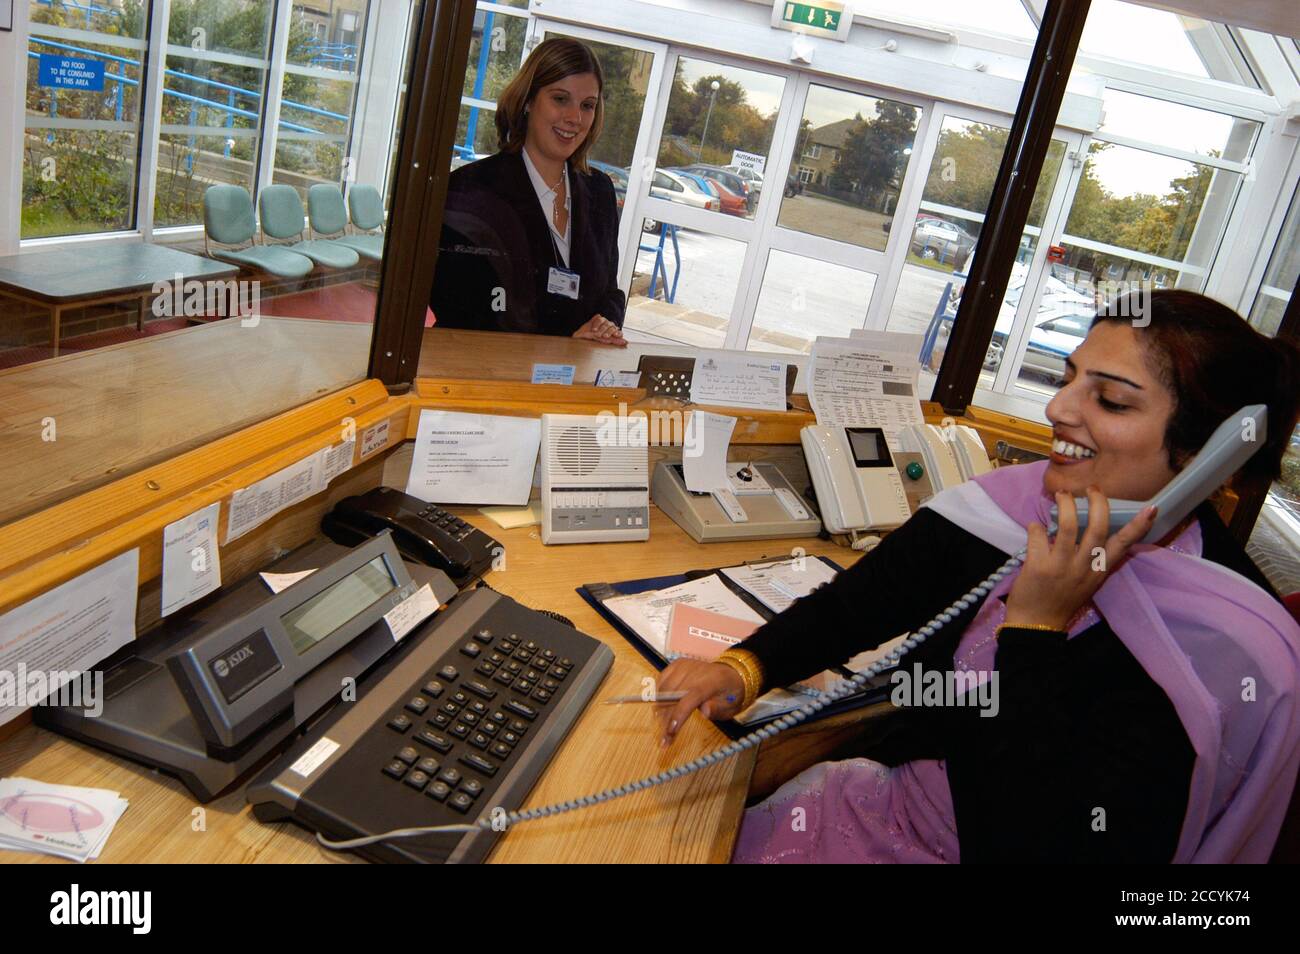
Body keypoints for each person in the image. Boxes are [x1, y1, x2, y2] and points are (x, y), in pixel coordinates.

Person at [657, 290, 1300, 863]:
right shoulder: (1018, 508)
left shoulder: (1218, 652)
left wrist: (1034, 632)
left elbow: (1039, 840)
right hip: (881, 812)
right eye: (1069, 378)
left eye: (1107, 399)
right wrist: (745, 666)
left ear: (1206, 457)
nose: (1056, 407)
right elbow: (867, 600)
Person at [430, 38, 627, 346]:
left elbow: (609, 292)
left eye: (587, 105)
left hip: (572, 382)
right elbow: (458, 307)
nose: (575, 118)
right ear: (528, 101)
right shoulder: (469, 191)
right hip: (488, 379)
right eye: (561, 99)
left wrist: (604, 324)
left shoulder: (600, 191)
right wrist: (564, 341)